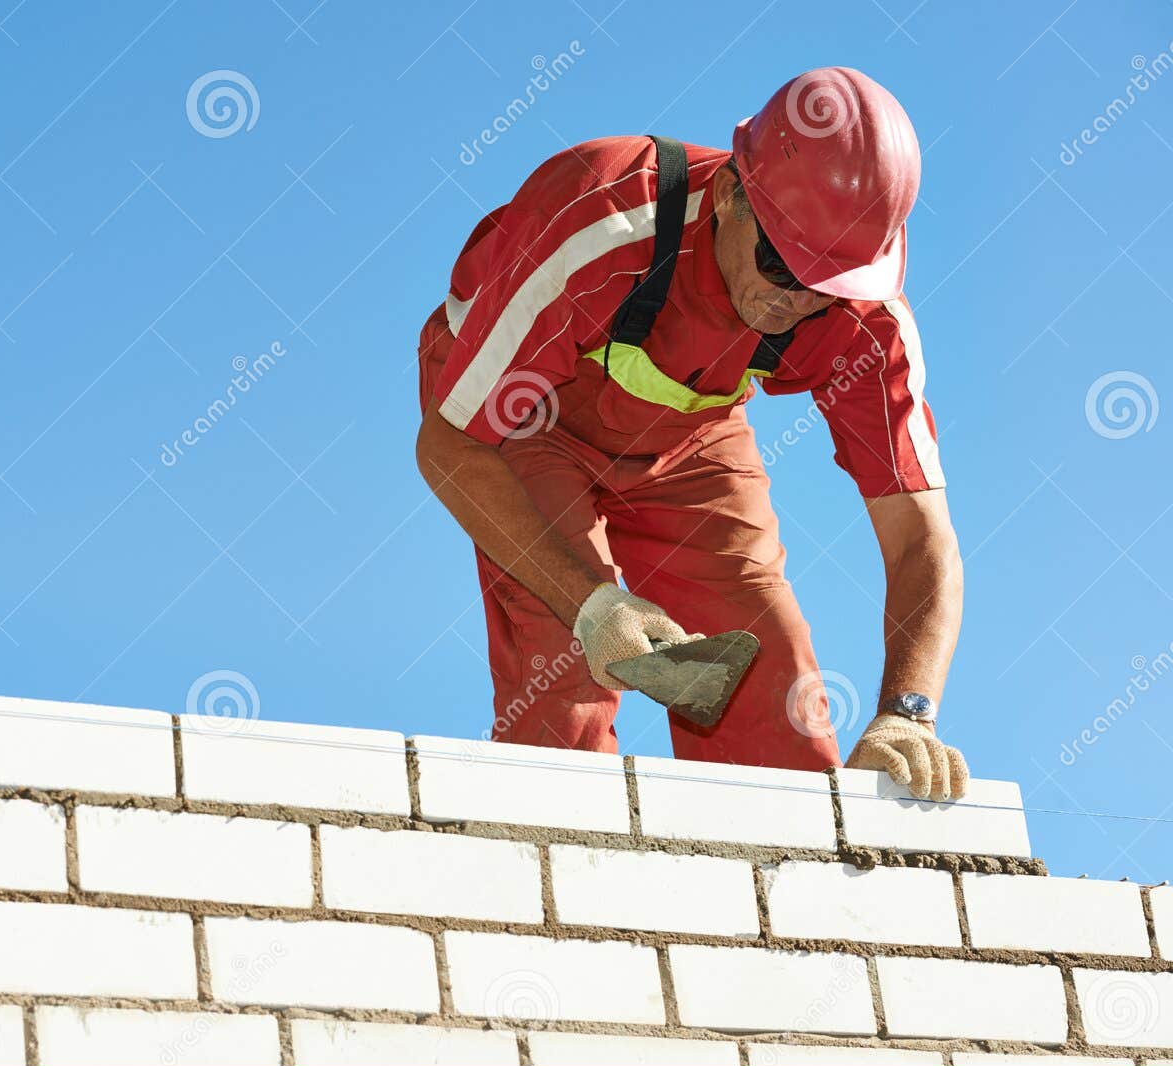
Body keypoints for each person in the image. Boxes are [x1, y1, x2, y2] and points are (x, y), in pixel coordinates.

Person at [415, 67, 968, 801]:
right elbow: (450, 446)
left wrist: (908, 715)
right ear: (735, 193)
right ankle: (558, 880)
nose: (793, 302)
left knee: (774, 681)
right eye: (780, 265)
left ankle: (790, 902)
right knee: (567, 666)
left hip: (688, 437)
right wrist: (590, 603)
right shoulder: (604, 214)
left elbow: (920, 537)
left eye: (824, 287)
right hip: (520, 413)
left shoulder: (862, 317)